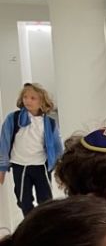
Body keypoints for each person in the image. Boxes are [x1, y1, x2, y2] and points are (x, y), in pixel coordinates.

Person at [0, 81, 64, 214]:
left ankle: (44, 226)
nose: (28, 101)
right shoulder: (13, 118)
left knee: (45, 200)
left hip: (41, 166)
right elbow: (4, 143)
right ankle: (30, 226)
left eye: (33, 98)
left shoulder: (50, 123)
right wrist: (2, 169)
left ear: (42, 101)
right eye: (25, 97)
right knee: (24, 200)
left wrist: (61, 169)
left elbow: (58, 148)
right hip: (20, 165)